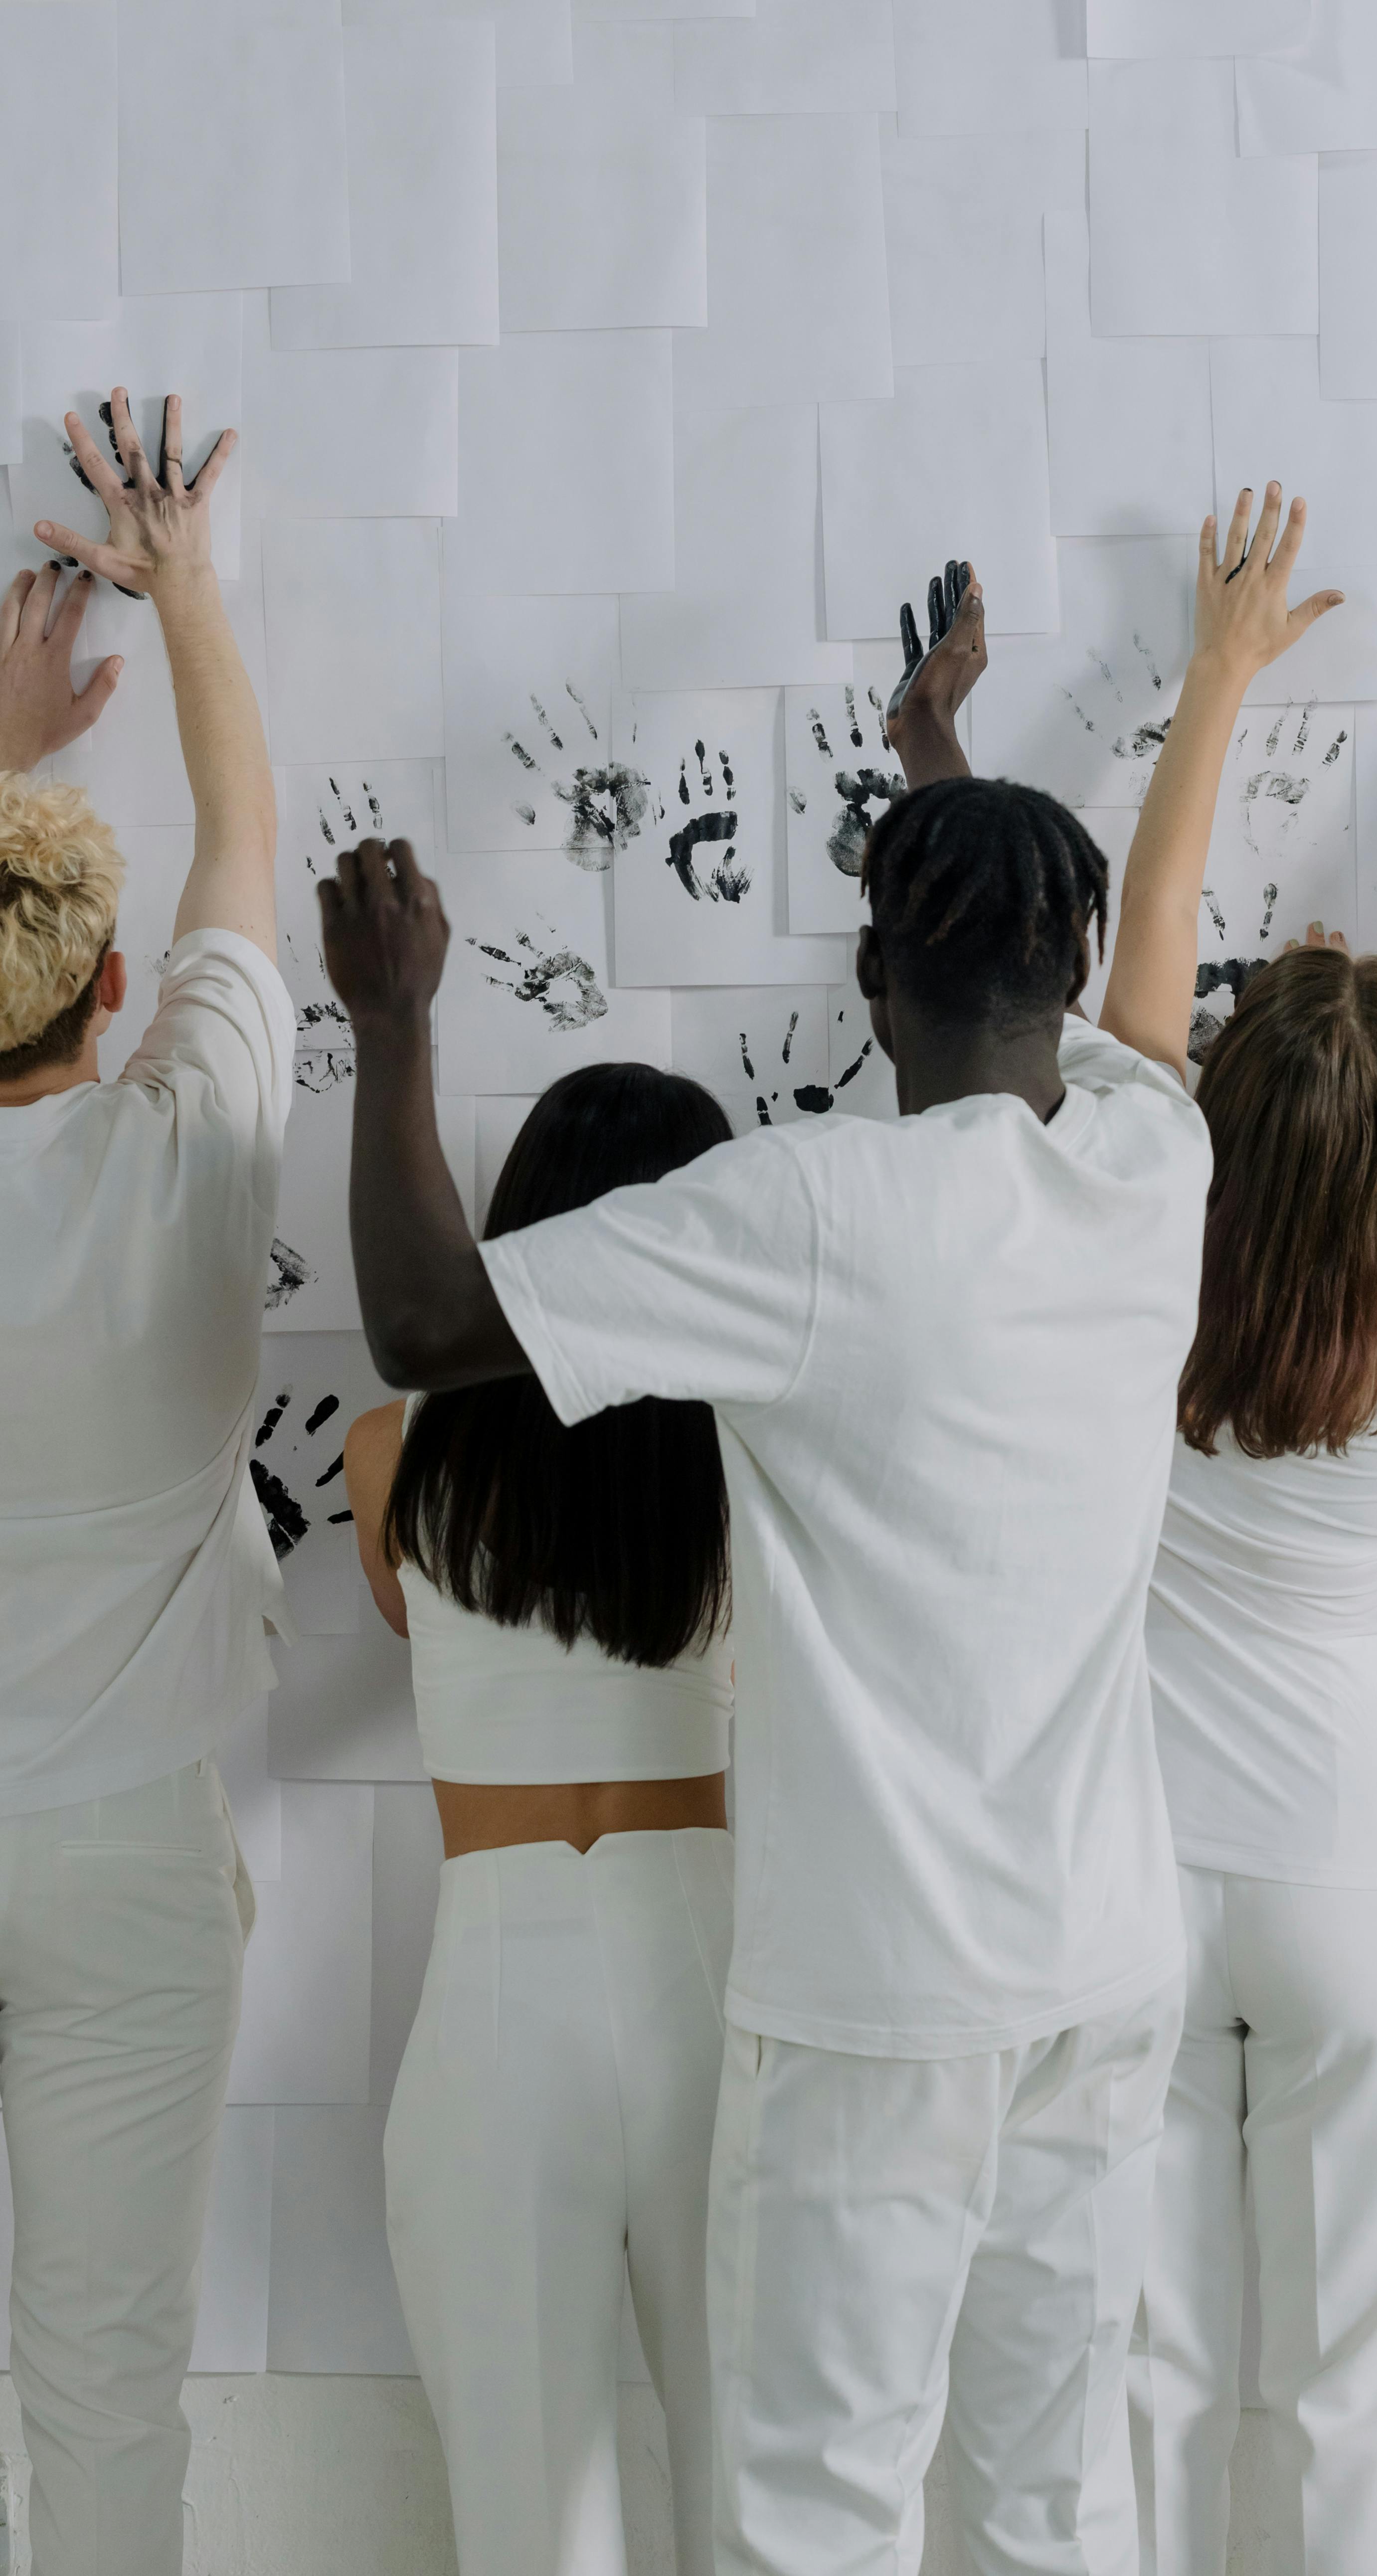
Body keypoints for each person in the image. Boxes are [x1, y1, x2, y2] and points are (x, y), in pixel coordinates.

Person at [315, 557, 1214, 2576]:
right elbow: (1039, 985)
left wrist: (390, 1027)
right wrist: (935, 766)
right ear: (1063, 977)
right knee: (1041, 2506)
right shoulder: (1151, 1174)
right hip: (1101, 1960)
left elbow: (422, 1330)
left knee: (814, 2518)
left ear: (869, 986)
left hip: (887, 1992)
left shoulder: (807, 1212)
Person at [1094, 487, 1377, 2576]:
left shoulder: (1118, 1266)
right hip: (1367, 1873)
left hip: (1140, 1866)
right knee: (1349, 2403)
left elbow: (1138, 979)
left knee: (1145, 2382)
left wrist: (1216, 673)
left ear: (1215, 1108)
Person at [0, 394, 284, 2576]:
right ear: (112, 988)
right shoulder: (188, 1152)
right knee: (108, 2380)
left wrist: (8, 760)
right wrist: (182, 586)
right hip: (122, 1867)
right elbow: (243, 852)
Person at [341, 1064, 737, 2576]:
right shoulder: (754, 1454)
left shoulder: (398, 1453)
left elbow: (405, 1607)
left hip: (498, 1990)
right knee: (762, 2502)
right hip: (709, 1966)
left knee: (527, 2527)